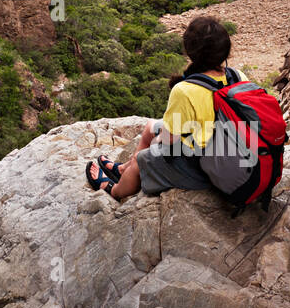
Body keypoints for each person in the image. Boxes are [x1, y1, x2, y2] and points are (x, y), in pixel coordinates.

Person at [86, 15, 242, 200]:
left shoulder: (185, 90)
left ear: (189, 50)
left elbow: (168, 144)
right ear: (225, 50)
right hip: (229, 151)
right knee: (149, 128)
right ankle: (122, 170)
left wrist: (158, 141)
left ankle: (116, 190)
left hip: (207, 168)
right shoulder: (237, 76)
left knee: (142, 159)